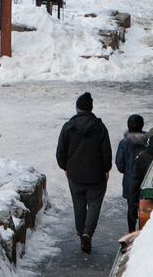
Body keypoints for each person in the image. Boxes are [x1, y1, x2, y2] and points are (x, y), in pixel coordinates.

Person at [56, 92, 112, 254]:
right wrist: (106, 169)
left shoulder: (68, 127)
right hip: (96, 174)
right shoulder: (100, 127)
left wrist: (65, 167)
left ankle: (81, 233)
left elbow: (61, 151)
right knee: (94, 204)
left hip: (75, 174)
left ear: (77, 108)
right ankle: (88, 232)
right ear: (91, 108)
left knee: (79, 205)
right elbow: (106, 152)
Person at [114, 114, 150, 234]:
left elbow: (120, 164)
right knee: (145, 206)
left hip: (130, 181)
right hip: (146, 179)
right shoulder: (148, 142)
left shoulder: (124, 143)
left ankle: (131, 232)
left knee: (131, 207)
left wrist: (128, 171)